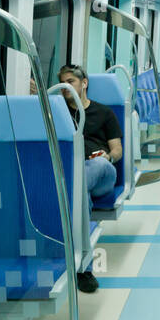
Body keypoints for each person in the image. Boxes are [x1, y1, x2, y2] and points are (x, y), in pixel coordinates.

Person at [56, 65, 121, 293]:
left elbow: (117, 150)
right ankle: (84, 267)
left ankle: (74, 194)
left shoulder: (104, 113)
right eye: (62, 83)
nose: (66, 88)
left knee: (87, 173)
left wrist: (107, 156)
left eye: (71, 81)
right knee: (78, 189)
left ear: (84, 83)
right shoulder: (58, 114)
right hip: (74, 173)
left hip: (102, 170)